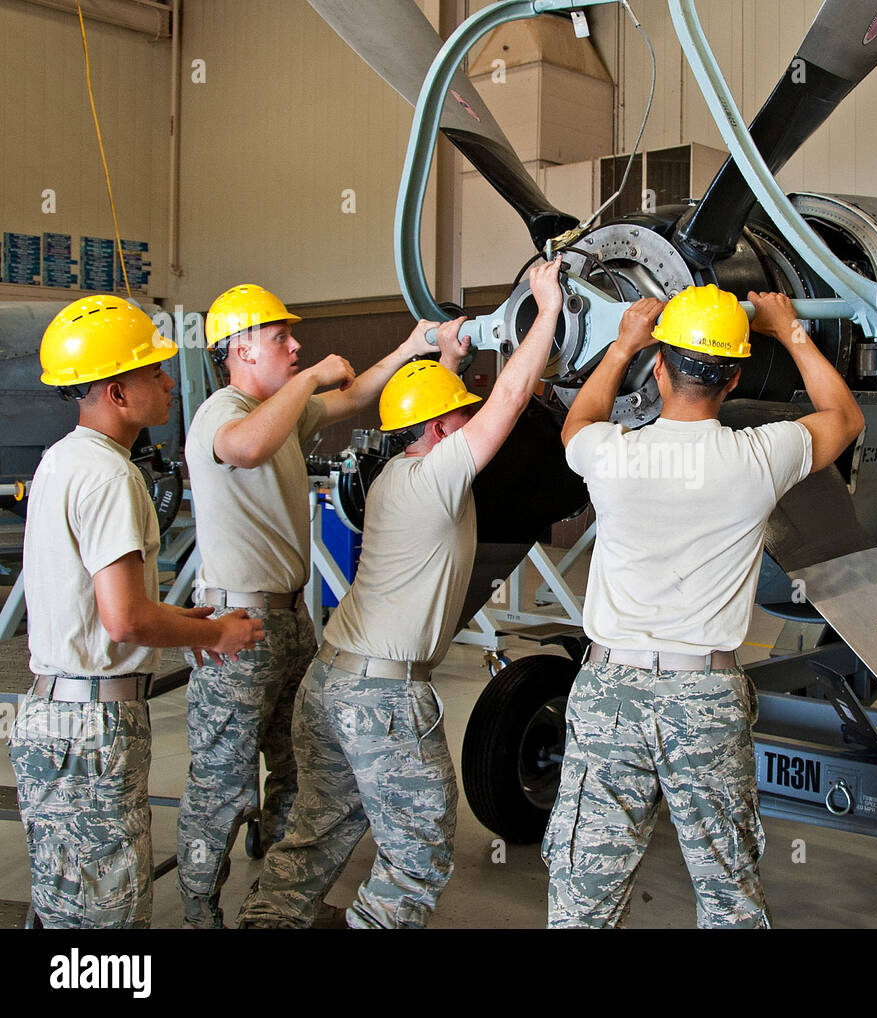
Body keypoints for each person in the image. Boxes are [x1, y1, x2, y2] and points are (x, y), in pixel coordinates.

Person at [237, 259, 565, 928]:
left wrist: (445, 355)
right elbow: (509, 399)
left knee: (312, 839)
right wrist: (549, 307)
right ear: (442, 431)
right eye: (457, 416)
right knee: (418, 856)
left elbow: (442, 412)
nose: (470, 421)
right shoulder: (444, 475)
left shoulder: (395, 473)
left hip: (328, 680)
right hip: (384, 700)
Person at [545, 285, 864, 927]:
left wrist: (622, 345)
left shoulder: (611, 455)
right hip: (705, 697)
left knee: (583, 894)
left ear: (659, 369)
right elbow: (845, 418)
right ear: (735, 377)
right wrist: (790, 329)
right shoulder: (758, 457)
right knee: (727, 896)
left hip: (610, 692)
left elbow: (576, 424)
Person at [178, 282, 448, 927]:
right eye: (280, 338)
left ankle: (271, 904)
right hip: (238, 624)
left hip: (290, 617)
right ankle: (196, 914)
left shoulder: (275, 409)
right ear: (239, 349)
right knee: (221, 782)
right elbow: (244, 447)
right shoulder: (222, 412)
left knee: (296, 768)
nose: (296, 347)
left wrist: (413, 347)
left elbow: (353, 396)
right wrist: (313, 378)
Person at [9, 295, 263, 929]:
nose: (170, 382)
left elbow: (104, 610)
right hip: (94, 726)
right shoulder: (109, 478)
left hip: (54, 712)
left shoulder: (61, 460)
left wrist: (186, 624)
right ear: (118, 392)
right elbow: (124, 619)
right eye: (154, 372)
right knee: (109, 922)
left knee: (67, 906)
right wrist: (218, 633)